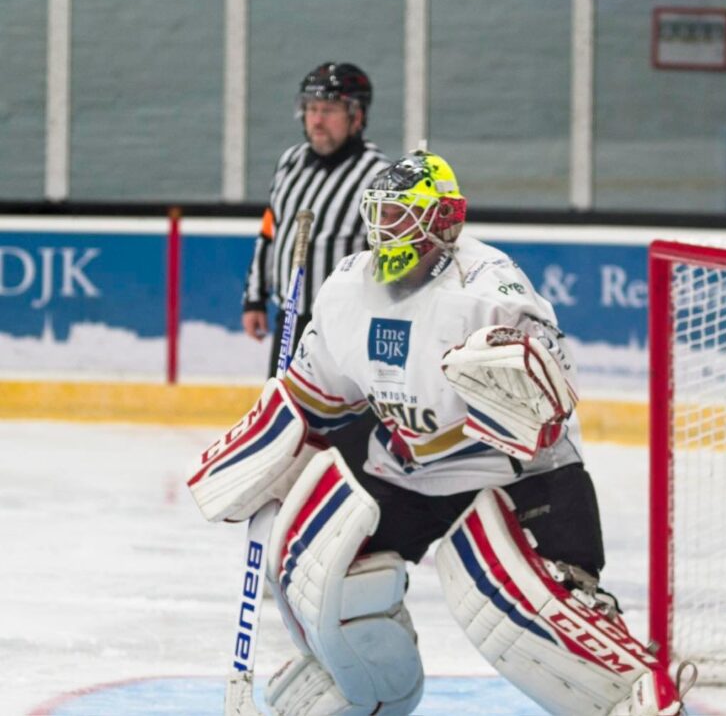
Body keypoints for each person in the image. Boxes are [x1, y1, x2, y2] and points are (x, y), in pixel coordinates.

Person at [192, 151, 695, 715]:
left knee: (541, 617)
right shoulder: (346, 290)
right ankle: (373, 688)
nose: (386, 232)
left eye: (402, 217)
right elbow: (316, 399)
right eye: (380, 215)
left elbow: (551, 405)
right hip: (404, 466)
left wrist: (515, 368)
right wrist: (274, 449)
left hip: (514, 473)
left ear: (446, 220)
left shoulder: (491, 292)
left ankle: (632, 696)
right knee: (324, 578)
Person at [242, 61, 391, 377]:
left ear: (357, 116)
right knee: (285, 416)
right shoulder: (290, 162)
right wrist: (255, 298)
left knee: (340, 423)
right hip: (290, 322)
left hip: (345, 327)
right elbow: (272, 230)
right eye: (311, 109)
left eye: (329, 109)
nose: (317, 120)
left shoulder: (378, 176)